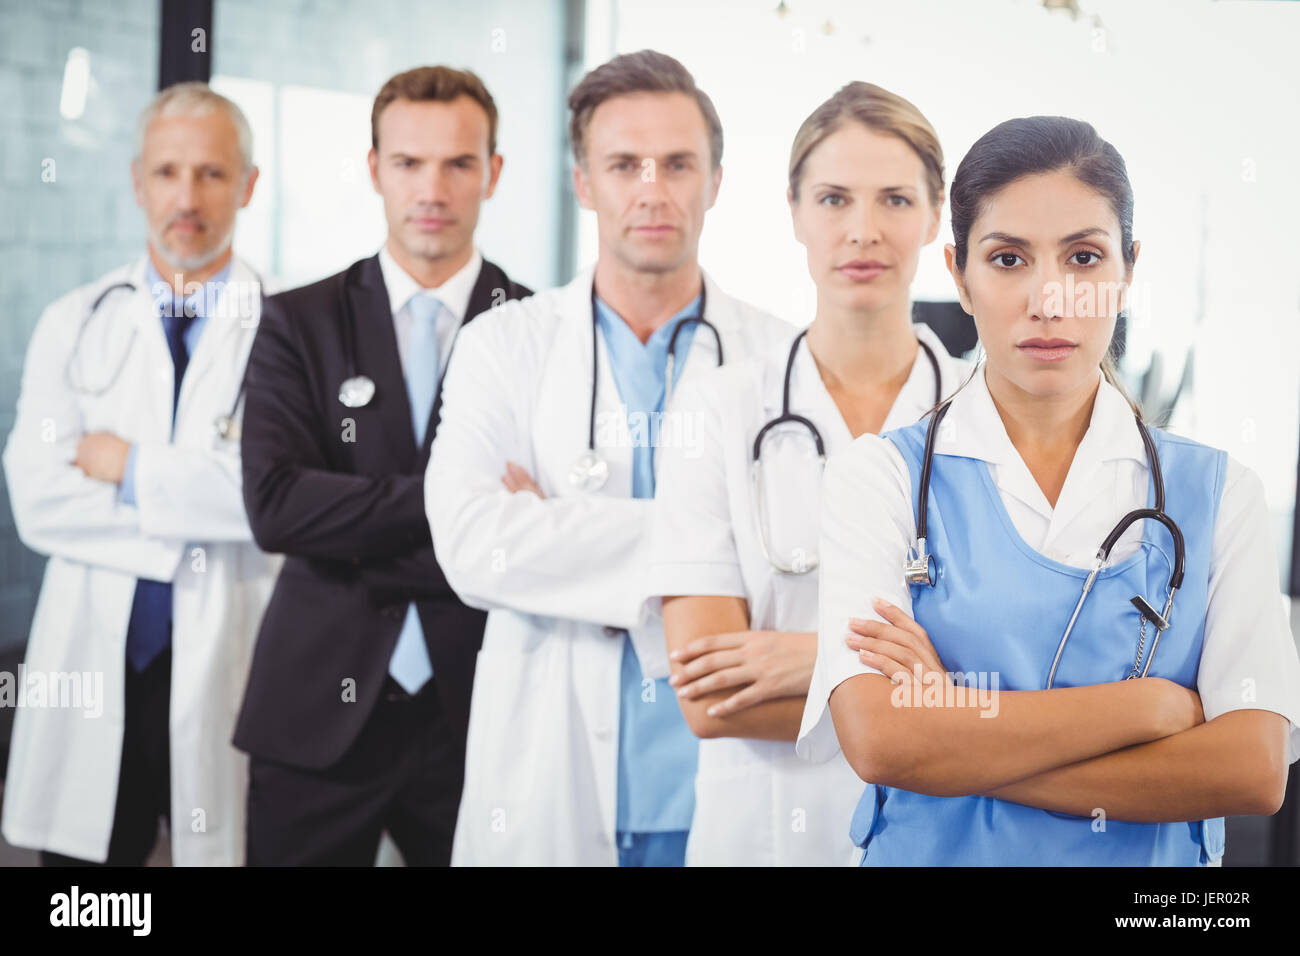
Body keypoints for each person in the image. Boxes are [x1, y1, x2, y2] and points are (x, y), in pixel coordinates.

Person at [799, 115, 1300, 866]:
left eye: (1085, 257)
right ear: (959, 275)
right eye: (1007, 259)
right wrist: (1148, 710)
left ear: (1128, 272)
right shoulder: (880, 479)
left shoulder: (1219, 495)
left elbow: (1252, 769)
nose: (1050, 300)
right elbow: (882, 741)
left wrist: (961, 728)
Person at [426, 50, 791, 866]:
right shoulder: (503, 345)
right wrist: (714, 553)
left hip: (723, 779)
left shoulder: (783, 361)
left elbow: (805, 572)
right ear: (585, 184)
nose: (652, 189)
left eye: (679, 163)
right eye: (624, 164)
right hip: (549, 773)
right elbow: (472, 546)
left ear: (717, 181)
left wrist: (557, 531)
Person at [649, 82, 971, 866]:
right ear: (793, 211)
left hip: (948, 834)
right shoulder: (720, 406)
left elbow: (1033, 682)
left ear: (935, 217)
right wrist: (921, 678)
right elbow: (709, 697)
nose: (863, 230)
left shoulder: (987, 415)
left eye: (895, 199)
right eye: (833, 199)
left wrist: (806, 657)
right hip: (763, 837)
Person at [235, 66, 531, 866]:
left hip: (481, 710)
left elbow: (545, 530)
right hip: (317, 710)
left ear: (492, 173)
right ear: (374, 169)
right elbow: (276, 507)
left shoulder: (540, 330)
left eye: (458, 164)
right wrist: (463, 506)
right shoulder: (299, 321)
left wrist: (361, 522)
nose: (431, 188)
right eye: (408, 163)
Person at [2, 82, 278, 865]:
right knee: (87, 897)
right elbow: (39, 500)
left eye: (212, 174)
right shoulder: (76, 319)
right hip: (97, 656)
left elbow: (274, 500)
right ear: (136, 182)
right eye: (166, 173)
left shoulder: (290, 327)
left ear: (249, 185)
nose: (185, 197)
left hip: (228, 649)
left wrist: (125, 467)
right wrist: (199, 497)